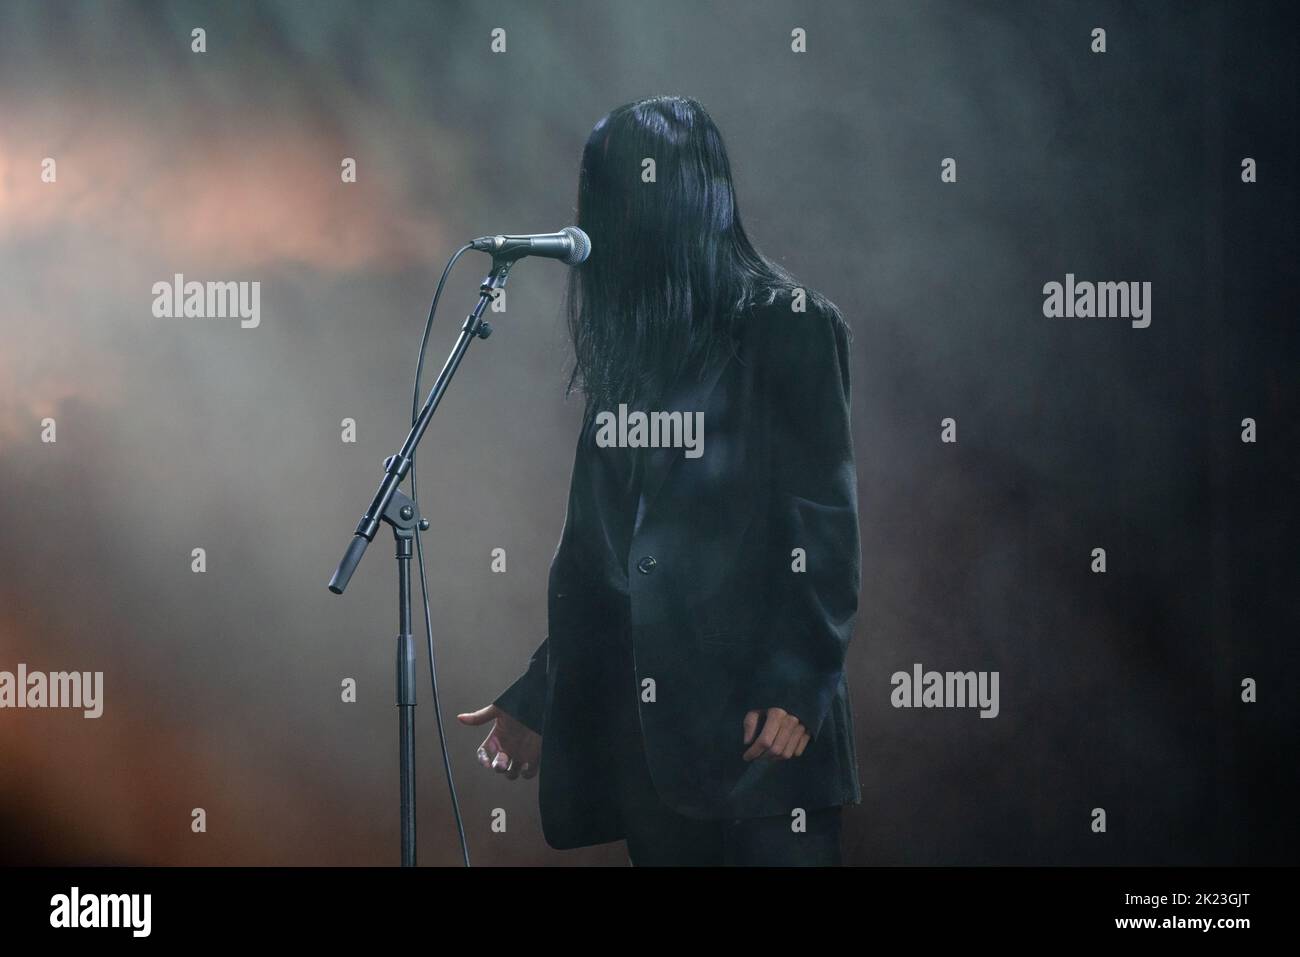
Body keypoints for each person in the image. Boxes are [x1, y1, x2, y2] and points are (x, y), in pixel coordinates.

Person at [458, 95, 861, 866]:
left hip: (764, 748)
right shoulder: (630, 361)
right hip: (656, 760)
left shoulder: (791, 325)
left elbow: (823, 523)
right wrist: (537, 698)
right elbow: (599, 561)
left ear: (669, 199)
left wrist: (798, 679)